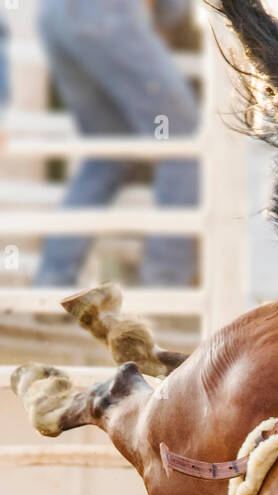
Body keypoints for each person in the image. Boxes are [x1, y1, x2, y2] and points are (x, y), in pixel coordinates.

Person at [33, 0, 199, 288]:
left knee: (108, 152)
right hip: (108, 14)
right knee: (184, 142)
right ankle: (165, 284)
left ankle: (53, 280)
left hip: (54, 14)